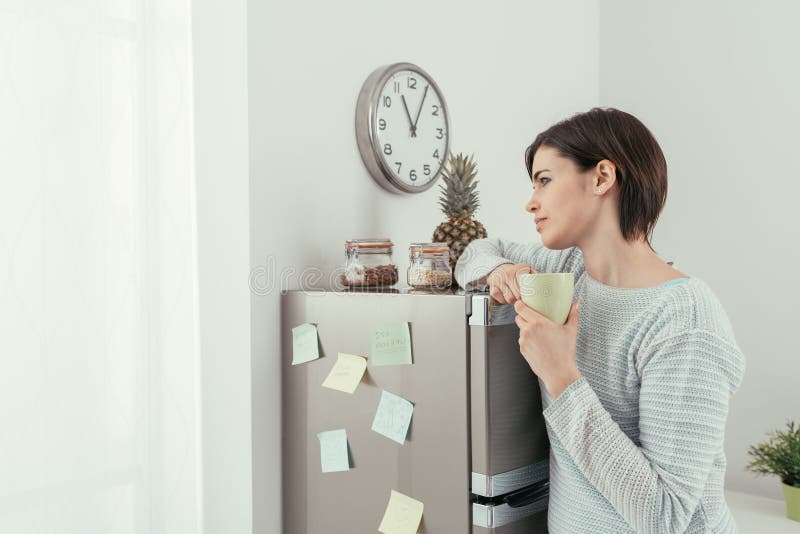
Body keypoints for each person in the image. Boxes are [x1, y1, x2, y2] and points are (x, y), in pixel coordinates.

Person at [455, 108, 745, 533]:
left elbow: (665, 517)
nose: (530, 202)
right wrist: (502, 271)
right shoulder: (567, 270)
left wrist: (562, 378)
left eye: (545, 179)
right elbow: (474, 251)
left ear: (602, 177)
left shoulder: (684, 319)